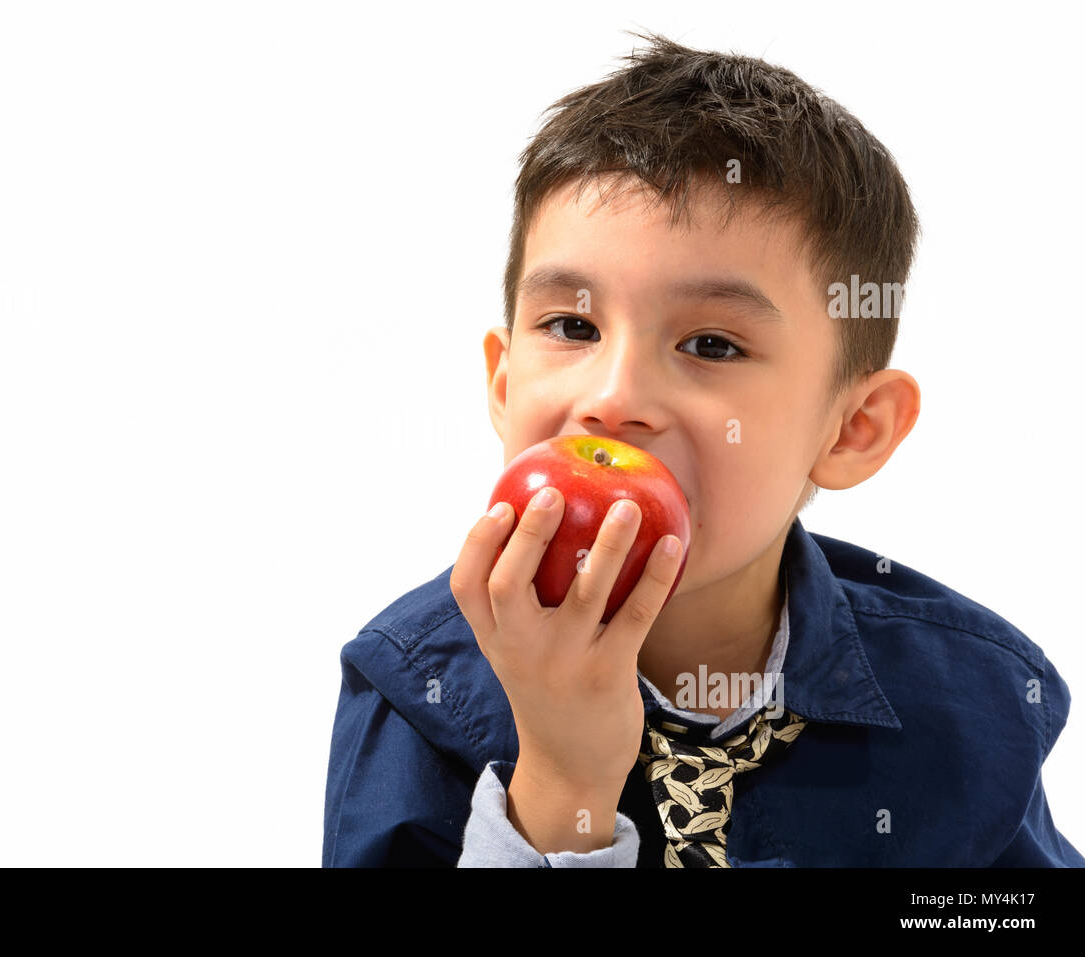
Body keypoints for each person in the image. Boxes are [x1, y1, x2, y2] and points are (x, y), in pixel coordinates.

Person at [322, 31, 1083, 867]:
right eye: (572, 326)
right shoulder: (414, 683)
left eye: (712, 344)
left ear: (852, 429)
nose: (613, 398)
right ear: (504, 387)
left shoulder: (972, 696)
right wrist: (562, 784)